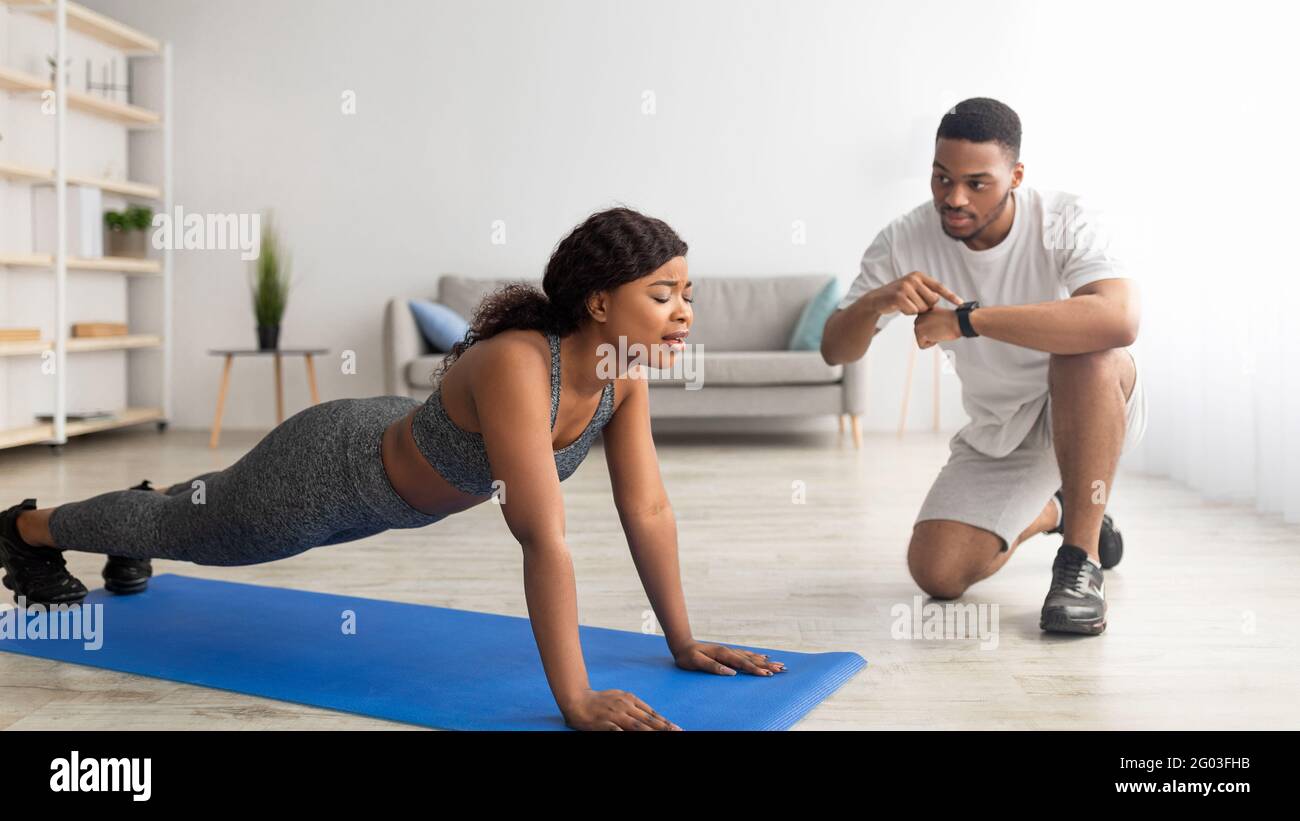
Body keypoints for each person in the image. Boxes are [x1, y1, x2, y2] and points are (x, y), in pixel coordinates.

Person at [0, 206, 786, 730]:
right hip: (329, 473)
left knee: (186, 516)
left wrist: (683, 642)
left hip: (391, 484)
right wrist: (573, 699)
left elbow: (645, 509)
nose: (686, 311)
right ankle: (28, 529)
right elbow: (542, 535)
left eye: (689, 294)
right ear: (600, 303)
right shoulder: (519, 365)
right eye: (665, 294)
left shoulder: (625, 373)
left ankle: (152, 513)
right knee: (201, 533)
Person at [821, 98, 1146, 635]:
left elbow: (1119, 319)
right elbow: (835, 349)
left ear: (1016, 176)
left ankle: (1079, 561)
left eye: (977, 183)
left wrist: (968, 321)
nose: (954, 198)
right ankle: (1060, 508)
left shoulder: (1064, 218)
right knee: (937, 574)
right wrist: (876, 302)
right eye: (941, 178)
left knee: (1084, 351)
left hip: (1092, 401)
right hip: (1002, 430)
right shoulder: (905, 238)